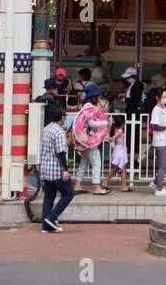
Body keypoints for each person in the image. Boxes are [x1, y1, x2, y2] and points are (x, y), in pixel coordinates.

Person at [38, 102, 74, 232]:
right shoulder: (59, 132)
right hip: (56, 170)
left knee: (49, 196)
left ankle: (45, 225)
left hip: (46, 169)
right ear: (62, 117)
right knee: (68, 194)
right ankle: (52, 217)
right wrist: (65, 170)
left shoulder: (46, 129)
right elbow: (61, 153)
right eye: (65, 115)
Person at [73, 84, 111, 194]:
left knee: (84, 162)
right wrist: (105, 122)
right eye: (98, 96)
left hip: (83, 141)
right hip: (89, 141)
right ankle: (97, 187)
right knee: (96, 162)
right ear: (93, 97)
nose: (99, 99)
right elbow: (91, 123)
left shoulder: (85, 106)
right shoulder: (89, 108)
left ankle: (78, 185)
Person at [149, 88, 166, 196]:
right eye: (163, 97)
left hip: (165, 140)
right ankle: (159, 188)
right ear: (157, 98)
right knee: (164, 164)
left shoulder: (165, 108)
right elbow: (154, 126)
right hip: (159, 141)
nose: (165, 99)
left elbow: (164, 120)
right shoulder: (156, 110)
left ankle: (155, 182)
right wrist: (165, 127)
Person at [108, 115, 131, 191]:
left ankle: (105, 182)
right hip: (119, 151)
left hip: (119, 150)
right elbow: (112, 139)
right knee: (122, 168)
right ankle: (123, 186)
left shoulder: (116, 130)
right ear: (123, 123)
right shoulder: (119, 131)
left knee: (117, 168)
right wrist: (106, 137)